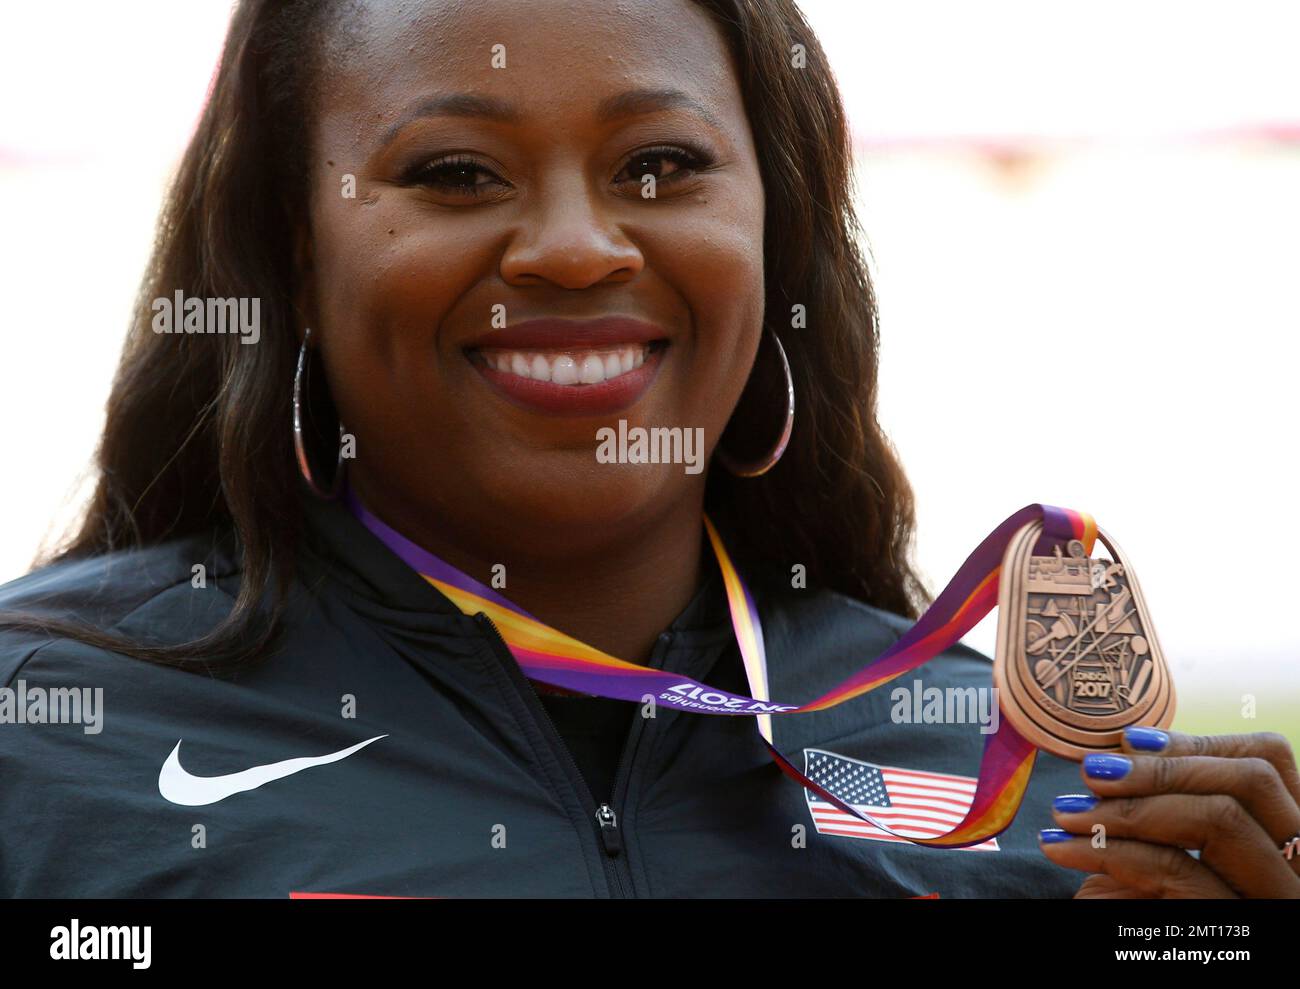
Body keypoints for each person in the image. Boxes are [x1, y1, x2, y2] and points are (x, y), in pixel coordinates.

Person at [1, 0, 1296, 899]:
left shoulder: (1033, 791)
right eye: (455, 173)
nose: (574, 247)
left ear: (778, 232)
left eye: (662, 164)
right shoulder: (43, 741)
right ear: (294, 246)